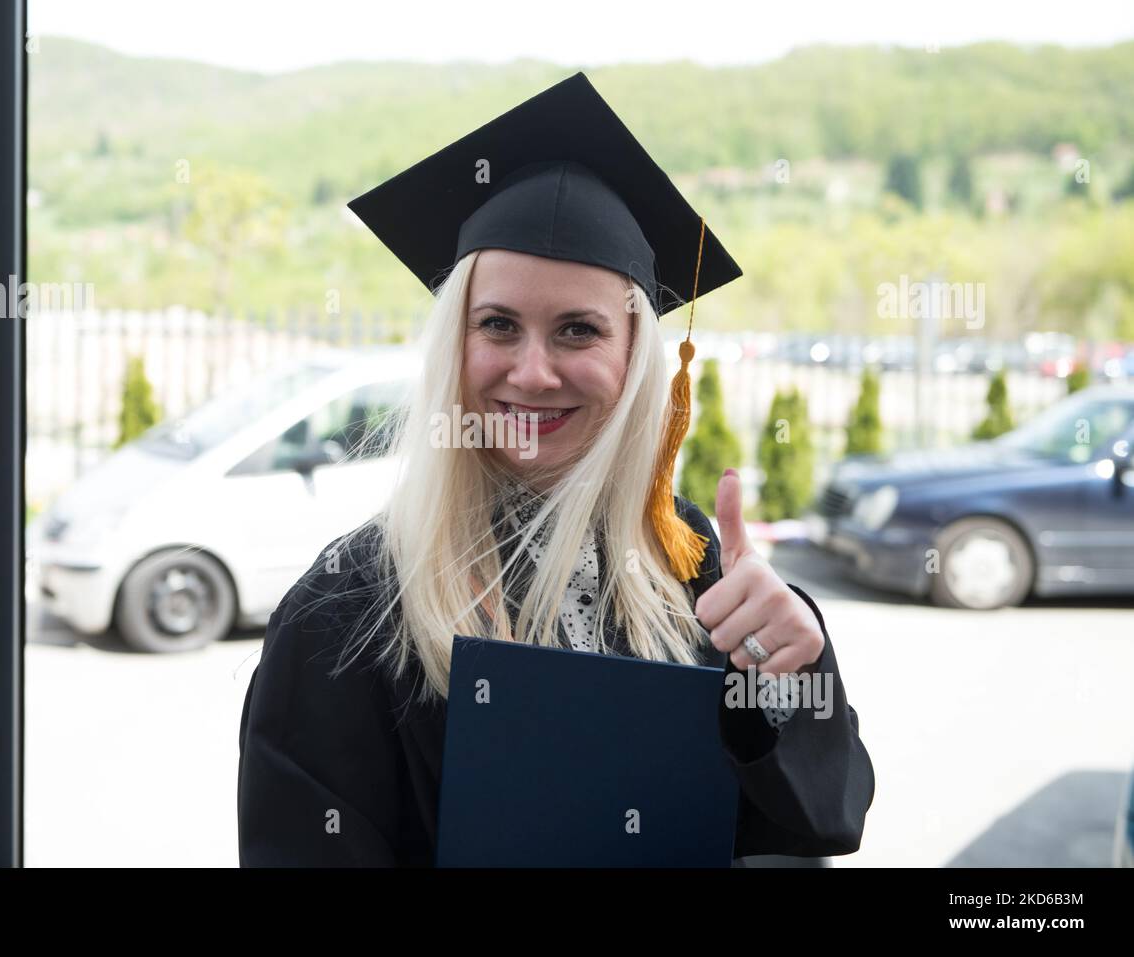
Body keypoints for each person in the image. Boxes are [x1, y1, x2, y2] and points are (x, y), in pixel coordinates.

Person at [237, 72, 874, 867]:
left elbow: (818, 825)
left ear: (637, 357)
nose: (533, 371)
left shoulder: (692, 567)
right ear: (453, 344)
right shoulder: (347, 608)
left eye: (578, 330)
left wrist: (791, 673)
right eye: (498, 324)